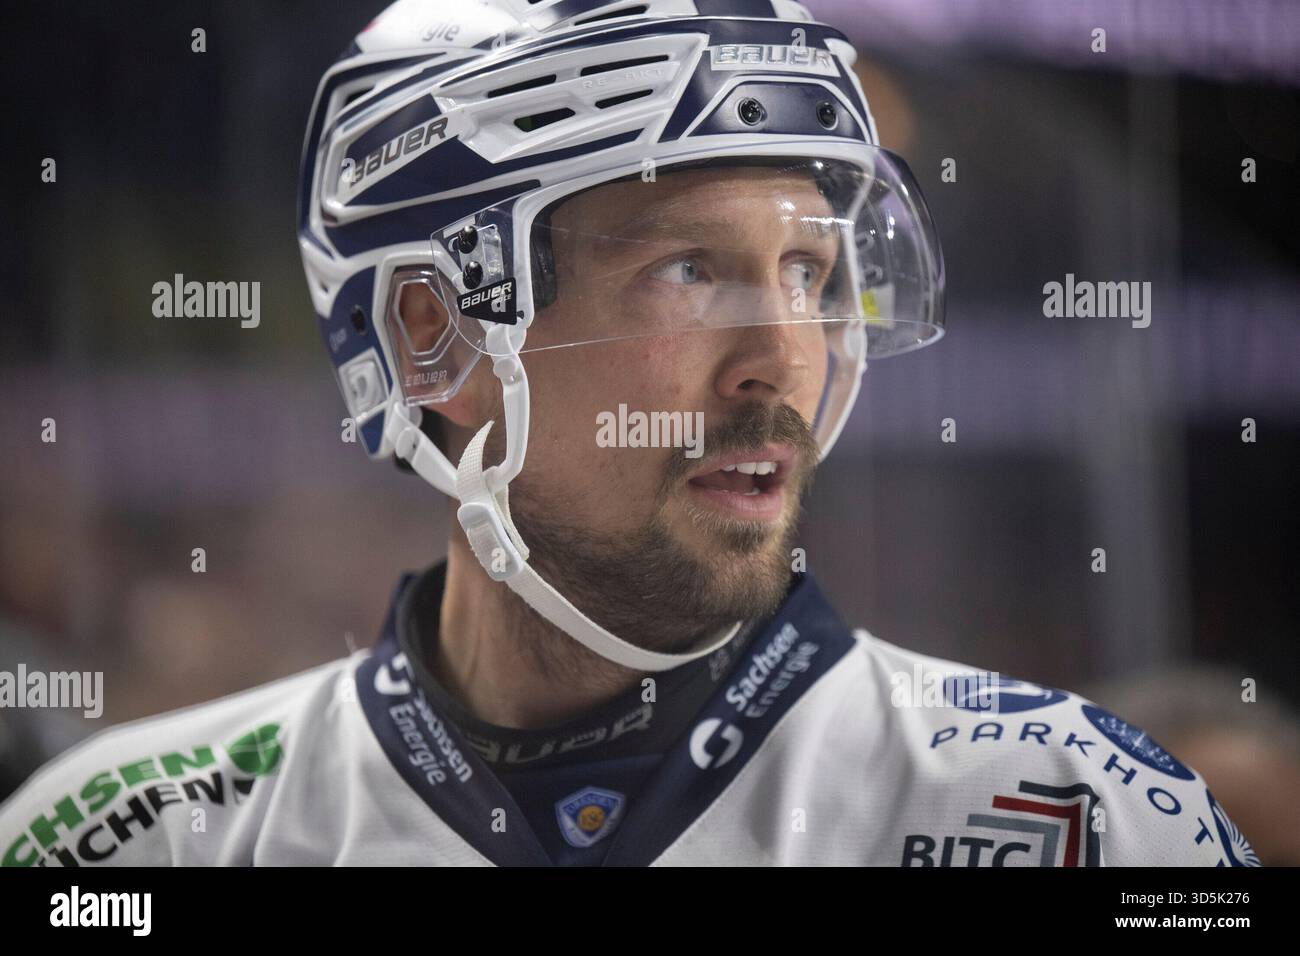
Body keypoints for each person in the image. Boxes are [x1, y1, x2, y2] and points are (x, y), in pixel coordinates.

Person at [0, 0, 1258, 866]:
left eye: (812, 274)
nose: (785, 357)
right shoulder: (132, 836)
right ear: (430, 330)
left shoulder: (1078, 812)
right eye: (690, 270)